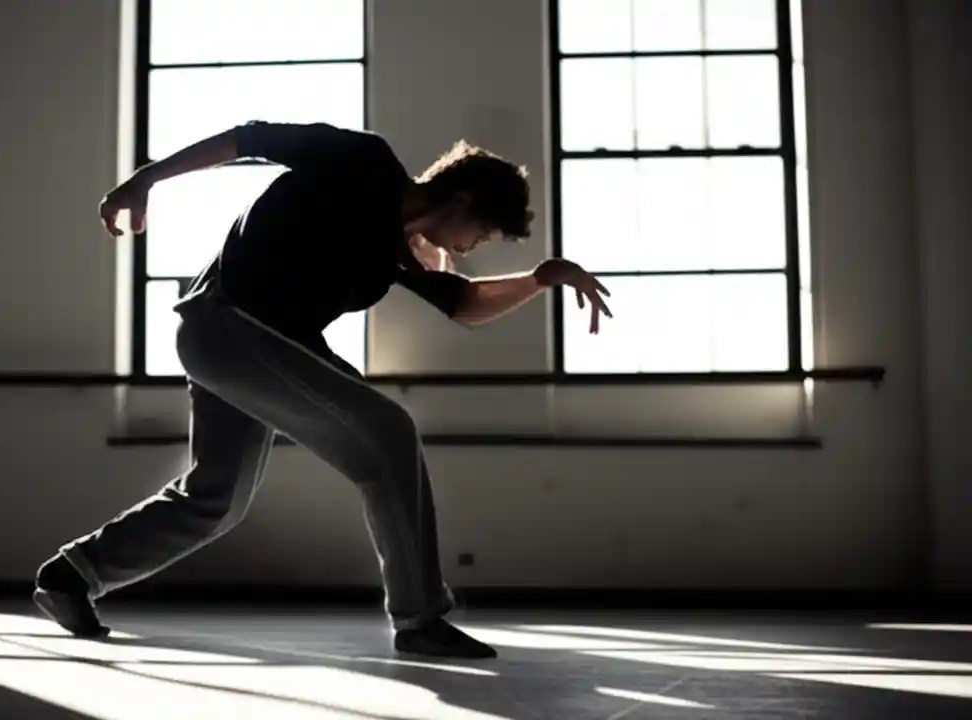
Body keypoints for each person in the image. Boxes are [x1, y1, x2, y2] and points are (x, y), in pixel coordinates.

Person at [33, 121, 613, 659]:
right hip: (231, 323)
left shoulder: (399, 249)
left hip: (252, 345)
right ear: (460, 199)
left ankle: (72, 575)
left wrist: (541, 279)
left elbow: (463, 305)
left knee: (216, 497)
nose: (472, 247)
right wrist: (144, 180)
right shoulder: (364, 162)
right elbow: (248, 138)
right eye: (481, 233)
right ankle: (421, 619)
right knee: (388, 431)